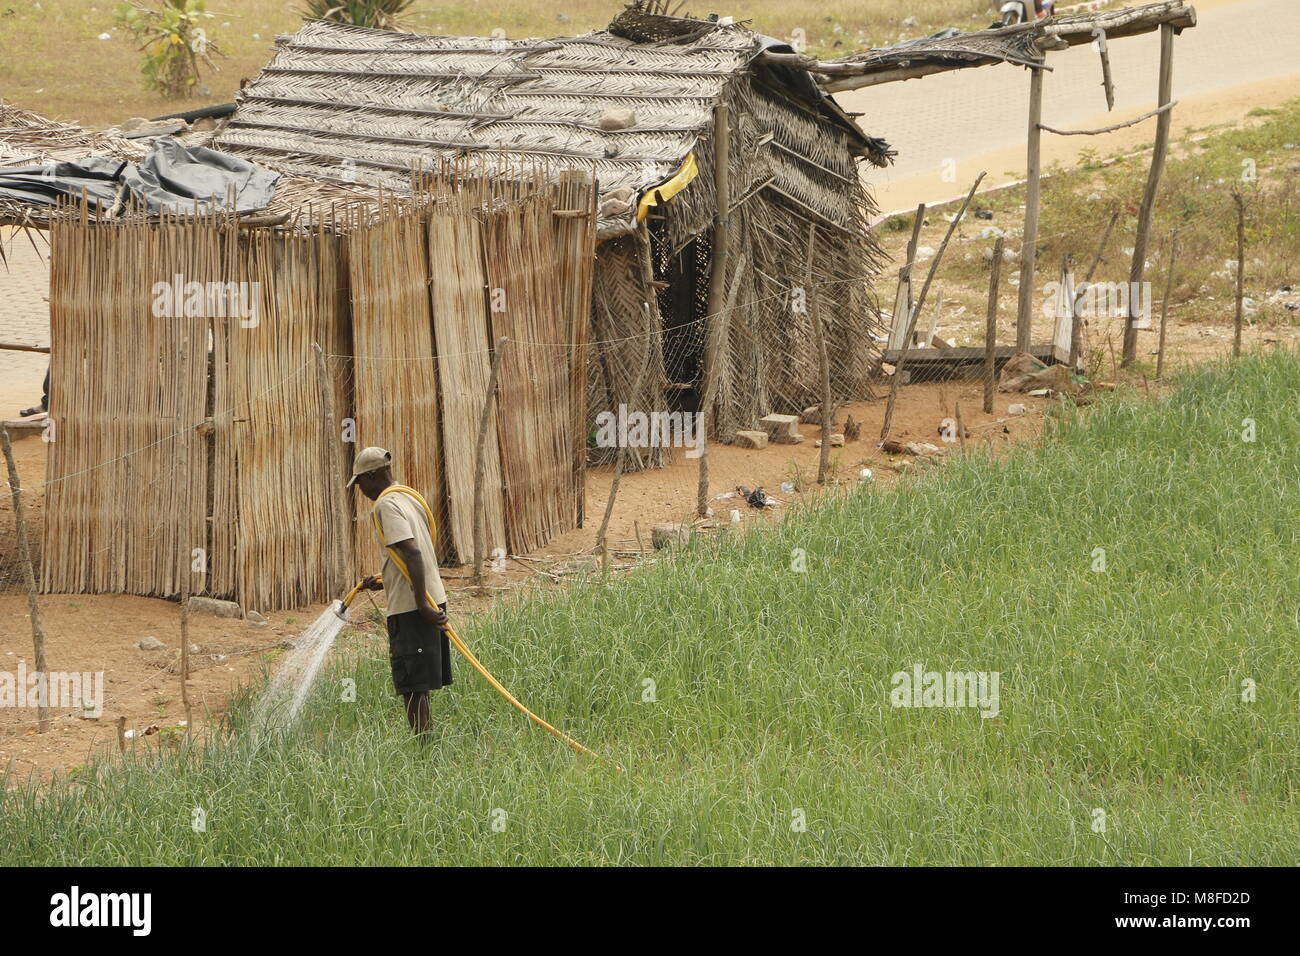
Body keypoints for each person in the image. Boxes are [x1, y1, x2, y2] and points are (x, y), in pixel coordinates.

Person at [348, 446, 451, 740]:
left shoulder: (385, 505)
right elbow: (411, 555)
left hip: (412, 607)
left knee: (412, 685)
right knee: (420, 683)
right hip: (432, 594)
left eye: (361, 482)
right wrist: (385, 580)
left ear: (372, 475)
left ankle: (425, 750)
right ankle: (427, 743)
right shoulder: (407, 496)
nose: (360, 489)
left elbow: (413, 552)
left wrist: (421, 606)